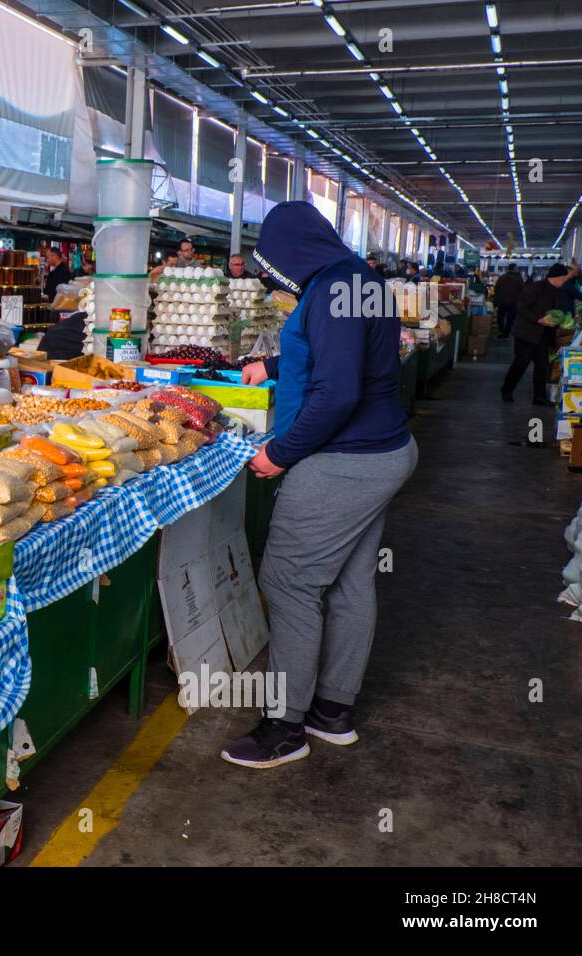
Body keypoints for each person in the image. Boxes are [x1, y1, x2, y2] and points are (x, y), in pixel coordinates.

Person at [222, 201, 417, 770]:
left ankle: (285, 728)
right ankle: (332, 712)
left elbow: (337, 394)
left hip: (342, 461)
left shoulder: (332, 290)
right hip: (384, 452)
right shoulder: (359, 278)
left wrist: (279, 453)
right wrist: (277, 367)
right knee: (351, 581)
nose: (270, 272)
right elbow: (351, 359)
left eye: (271, 259)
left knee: (287, 584)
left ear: (290, 248)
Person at [500, 263, 571, 405]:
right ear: (557, 277)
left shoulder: (558, 291)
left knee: (542, 366)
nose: (565, 282)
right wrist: (538, 320)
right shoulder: (535, 288)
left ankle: (539, 397)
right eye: (564, 279)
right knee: (521, 363)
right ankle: (507, 390)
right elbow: (521, 308)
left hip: (544, 334)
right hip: (526, 333)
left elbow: (559, 310)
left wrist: (561, 320)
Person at [492, 263, 524, 339]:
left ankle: (501, 330)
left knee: (500, 317)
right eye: (516, 268)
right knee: (510, 319)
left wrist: (496, 300)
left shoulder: (502, 277)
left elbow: (496, 289)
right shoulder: (518, 278)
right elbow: (523, 290)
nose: (517, 269)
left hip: (502, 301)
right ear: (514, 269)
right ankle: (506, 333)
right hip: (513, 302)